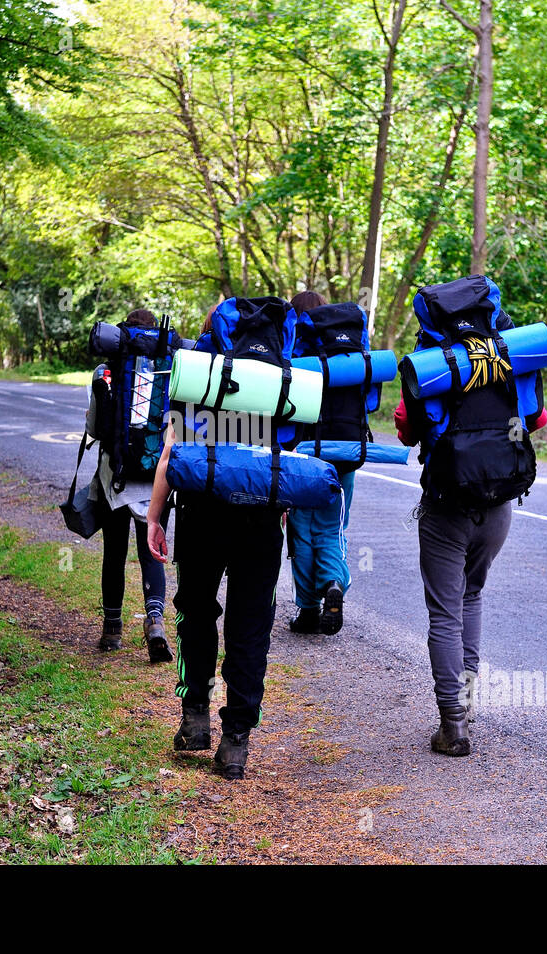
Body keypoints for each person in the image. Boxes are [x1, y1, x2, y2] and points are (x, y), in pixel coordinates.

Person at [394, 278, 547, 757]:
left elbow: (407, 430)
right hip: (499, 502)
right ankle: (466, 704)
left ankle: (453, 724)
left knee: (445, 611)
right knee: (473, 595)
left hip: (446, 503)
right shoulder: (507, 353)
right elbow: (537, 418)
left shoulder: (433, 362)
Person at [145, 299, 291, 780]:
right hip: (261, 521)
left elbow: (171, 449)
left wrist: (154, 515)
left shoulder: (199, 375)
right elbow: (289, 457)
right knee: (251, 628)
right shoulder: (280, 378)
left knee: (196, 612)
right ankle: (236, 743)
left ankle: (195, 717)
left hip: (202, 514)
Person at [86, 307, 173, 663]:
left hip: (116, 476)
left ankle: (112, 629)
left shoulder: (107, 370)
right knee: (152, 550)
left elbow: (94, 427)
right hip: (156, 478)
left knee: (115, 553)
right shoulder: (170, 368)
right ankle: (154, 620)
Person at [283, 289, 354, 635]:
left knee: (301, 531)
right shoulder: (348, 351)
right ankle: (333, 585)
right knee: (331, 528)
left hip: (303, 455)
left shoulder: (296, 352)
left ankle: (308, 609)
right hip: (344, 453)